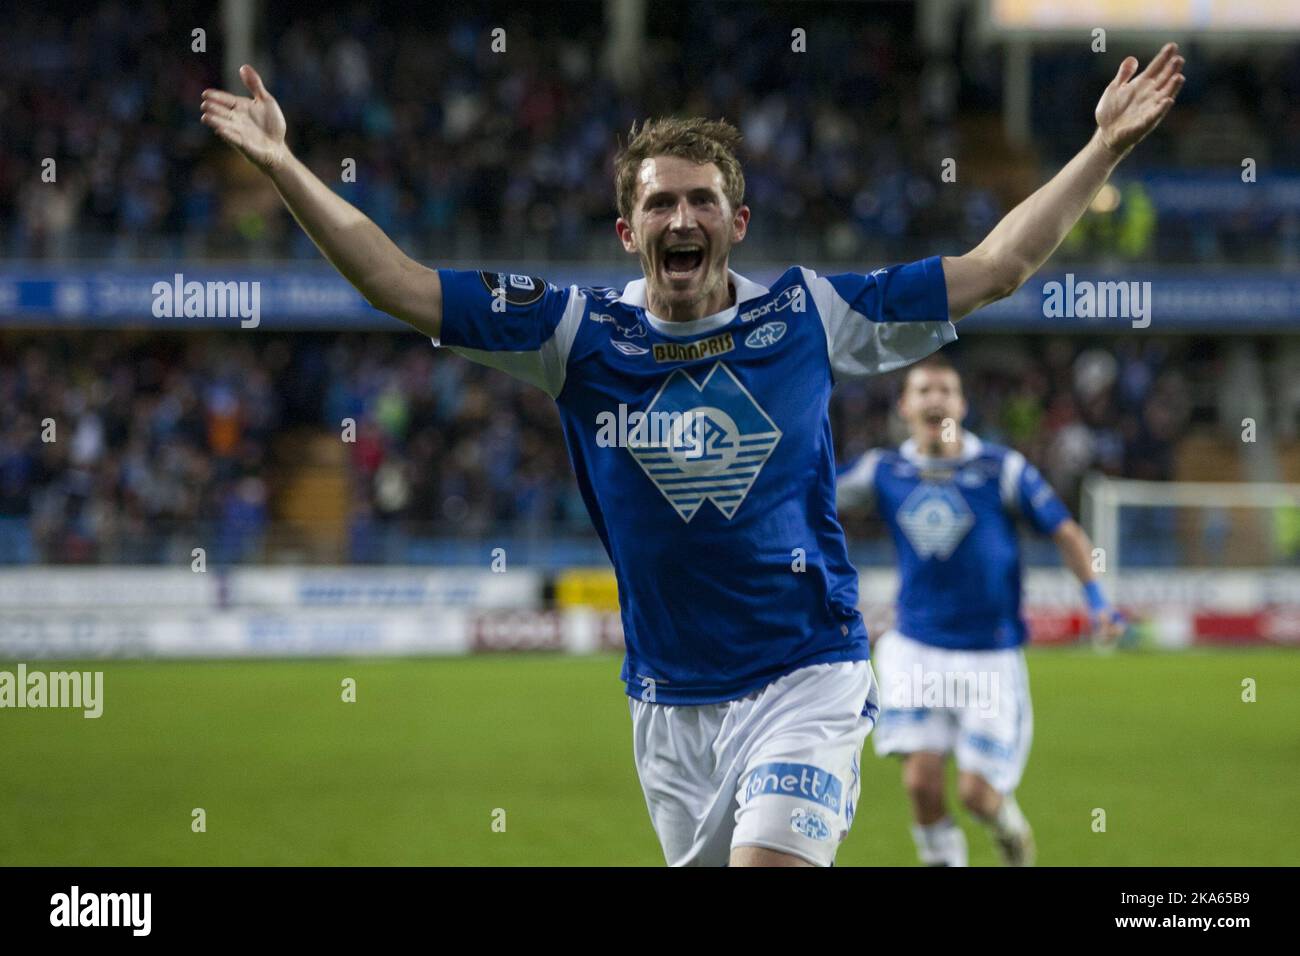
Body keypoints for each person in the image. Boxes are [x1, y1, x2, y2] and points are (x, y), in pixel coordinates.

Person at [199, 44, 1181, 866]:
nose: (682, 219)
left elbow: (995, 266)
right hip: (667, 706)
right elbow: (395, 283)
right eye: (661, 203)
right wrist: (287, 167)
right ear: (628, 229)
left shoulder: (808, 314)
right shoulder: (572, 333)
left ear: (734, 222)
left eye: (702, 201)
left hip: (806, 674)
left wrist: (1099, 147)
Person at [837, 355, 1125, 866]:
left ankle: (1009, 829)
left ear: (962, 405)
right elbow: (812, 499)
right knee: (921, 782)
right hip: (916, 647)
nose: (935, 399)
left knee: (975, 794)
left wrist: (1097, 601)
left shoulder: (1001, 468)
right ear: (904, 405)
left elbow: (1065, 530)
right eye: (923, 390)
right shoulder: (884, 470)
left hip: (989, 655)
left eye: (946, 390)